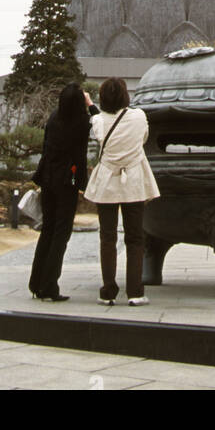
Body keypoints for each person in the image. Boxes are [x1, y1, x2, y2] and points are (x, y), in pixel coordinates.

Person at [83, 76, 160, 306]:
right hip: (133, 180)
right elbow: (144, 138)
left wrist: (88, 104)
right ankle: (135, 292)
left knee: (107, 237)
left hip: (107, 180)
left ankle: (108, 291)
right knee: (135, 237)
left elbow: (97, 120)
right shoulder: (139, 117)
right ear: (126, 96)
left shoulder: (99, 122)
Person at [28, 83, 98, 302]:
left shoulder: (53, 117)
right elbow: (101, 122)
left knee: (48, 229)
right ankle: (50, 285)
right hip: (68, 180)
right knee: (61, 232)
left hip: (48, 177)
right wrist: (91, 104)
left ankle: (37, 282)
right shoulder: (81, 122)